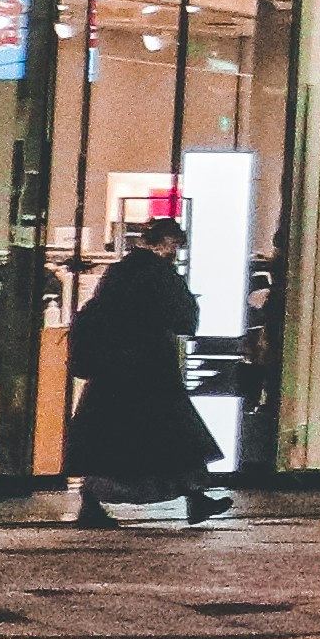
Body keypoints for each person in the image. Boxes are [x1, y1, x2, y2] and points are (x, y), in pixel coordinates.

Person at [65, 217, 226, 530]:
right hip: (150, 368)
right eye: (175, 245)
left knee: (111, 437)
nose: (175, 252)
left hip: (111, 370)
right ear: (166, 243)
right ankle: (195, 496)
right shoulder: (160, 274)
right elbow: (184, 318)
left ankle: (93, 501)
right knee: (173, 433)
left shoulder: (118, 271)